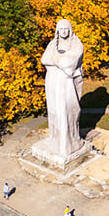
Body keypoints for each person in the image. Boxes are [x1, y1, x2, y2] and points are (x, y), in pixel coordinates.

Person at [41, 19, 85, 157]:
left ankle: (70, 144)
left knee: (67, 112)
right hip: (53, 83)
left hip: (67, 85)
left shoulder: (76, 44)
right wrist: (59, 62)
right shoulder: (53, 44)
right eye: (61, 29)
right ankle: (56, 141)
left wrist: (55, 61)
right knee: (55, 112)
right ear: (57, 30)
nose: (64, 32)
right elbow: (44, 59)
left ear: (70, 29)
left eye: (66, 29)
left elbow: (69, 65)